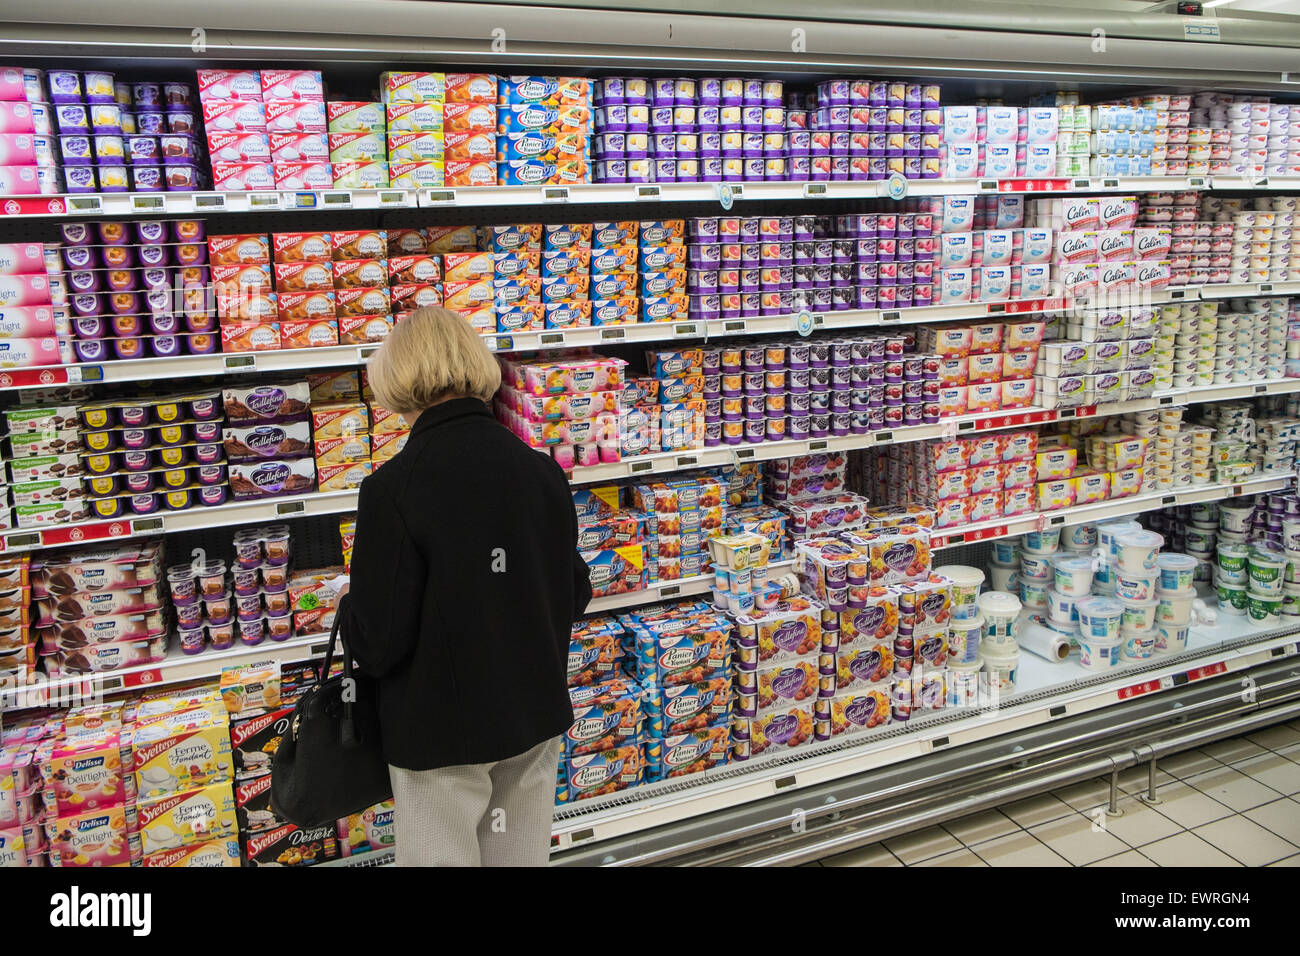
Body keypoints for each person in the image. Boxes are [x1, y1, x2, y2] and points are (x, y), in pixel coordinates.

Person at [341, 305, 592, 866]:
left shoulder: (392, 490)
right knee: (516, 857)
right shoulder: (542, 470)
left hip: (439, 736)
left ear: (396, 379)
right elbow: (573, 591)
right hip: (533, 714)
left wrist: (351, 605)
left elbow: (380, 643)